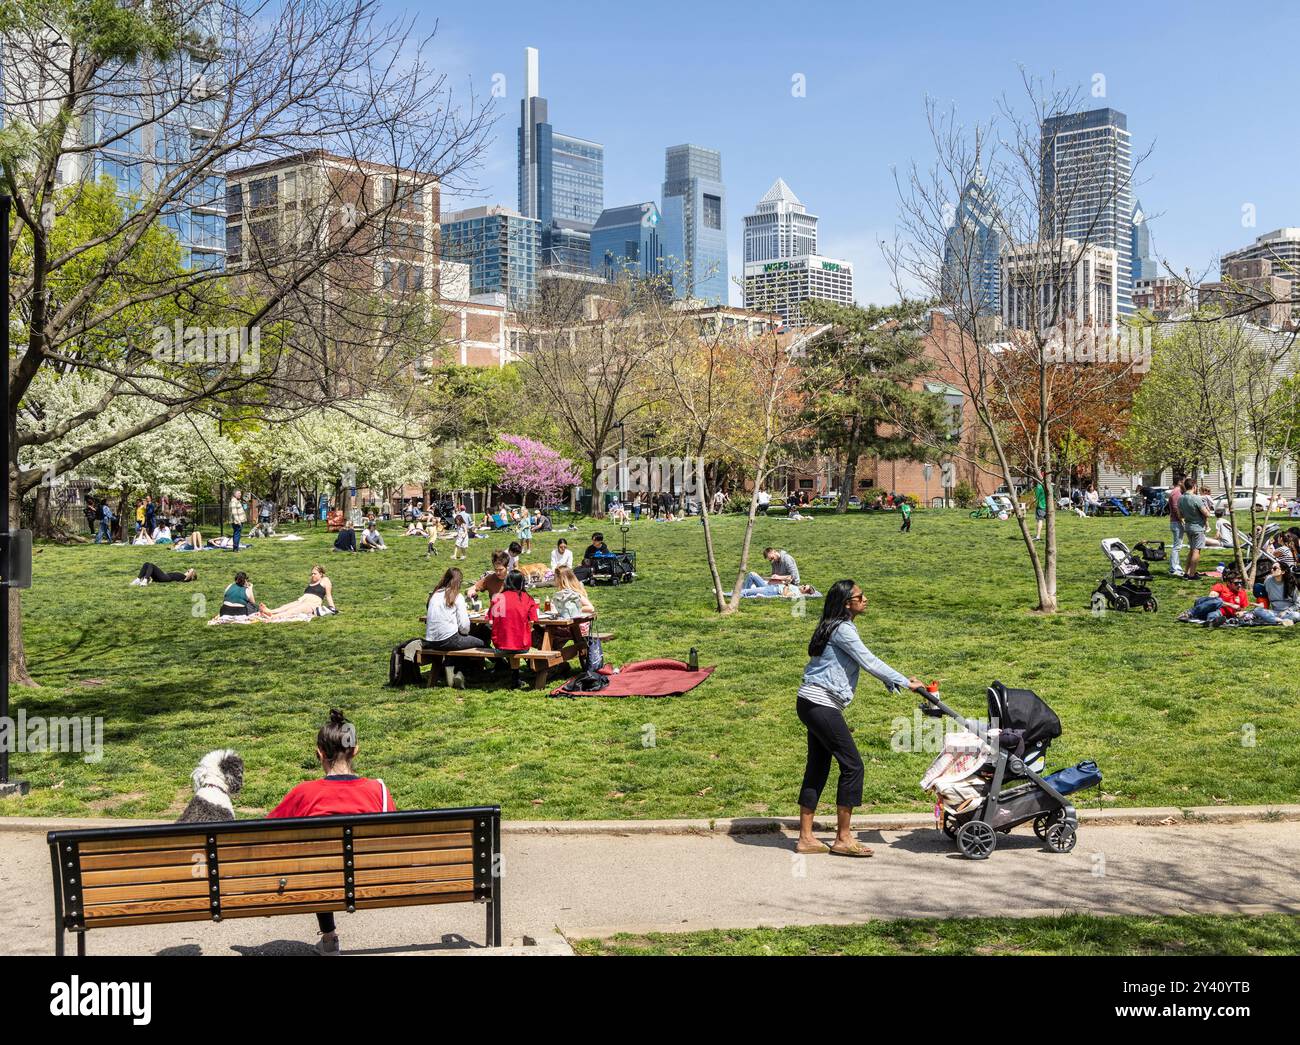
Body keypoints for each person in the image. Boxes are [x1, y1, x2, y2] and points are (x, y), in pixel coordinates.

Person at [795, 579, 929, 857]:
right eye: (860, 596)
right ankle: (843, 838)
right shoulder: (843, 629)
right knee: (853, 766)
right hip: (821, 704)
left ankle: (806, 838)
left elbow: (855, 663)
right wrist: (906, 682)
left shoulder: (832, 625)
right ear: (847, 603)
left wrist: (889, 682)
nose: (865, 599)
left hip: (809, 702)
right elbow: (869, 660)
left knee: (818, 768)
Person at [268, 709, 397, 955]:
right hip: (371, 877)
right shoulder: (378, 790)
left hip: (320, 880)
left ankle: (329, 937)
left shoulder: (304, 793)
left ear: (319, 754)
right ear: (355, 750)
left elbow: (265, 832)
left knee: (318, 864)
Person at [422, 568, 486, 687]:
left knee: (459, 643)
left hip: (431, 640)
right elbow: (465, 627)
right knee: (480, 642)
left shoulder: (435, 594)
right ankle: (464, 673)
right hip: (448, 640)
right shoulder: (456, 596)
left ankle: (451, 669)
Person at [490, 570, 539, 688]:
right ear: (522, 583)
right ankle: (519, 676)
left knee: (511, 642)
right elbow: (532, 621)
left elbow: (491, 621)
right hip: (522, 646)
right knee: (517, 642)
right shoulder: (527, 598)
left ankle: (514, 677)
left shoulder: (498, 597)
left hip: (500, 646)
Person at [258, 564, 336, 620]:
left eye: (315, 574)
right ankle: (271, 611)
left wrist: (332, 608)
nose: (312, 575)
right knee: (286, 606)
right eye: (311, 573)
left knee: (293, 610)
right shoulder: (312, 581)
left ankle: (273, 617)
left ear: (321, 574)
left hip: (312, 604)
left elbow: (328, 596)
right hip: (301, 600)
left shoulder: (325, 580)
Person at [1177, 569, 1251, 625]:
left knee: (1212, 615)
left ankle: (1212, 622)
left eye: (1241, 583)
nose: (1239, 585)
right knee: (1218, 600)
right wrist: (1231, 605)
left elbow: (1241, 608)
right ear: (1228, 583)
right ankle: (1188, 613)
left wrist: (1239, 612)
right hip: (1204, 606)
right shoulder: (1220, 587)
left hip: (1219, 613)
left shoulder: (1242, 593)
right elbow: (1211, 600)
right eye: (1237, 583)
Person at [1179, 477, 1209, 579]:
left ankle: (1186, 573)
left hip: (1188, 526)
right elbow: (1206, 513)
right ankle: (1192, 574)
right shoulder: (1196, 498)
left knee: (1191, 550)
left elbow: (1180, 514)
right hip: (1197, 527)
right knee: (1196, 551)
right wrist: (1207, 511)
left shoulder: (1181, 498)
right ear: (1194, 486)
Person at [1167, 475, 1186, 577]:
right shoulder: (1176, 492)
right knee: (1177, 546)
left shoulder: (1177, 492)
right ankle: (1174, 568)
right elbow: (1175, 508)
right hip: (1176, 522)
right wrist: (1181, 519)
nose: (1185, 483)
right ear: (1179, 482)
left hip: (1176, 521)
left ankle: (1176, 566)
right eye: (1184, 481)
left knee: (1178, 545)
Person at [131, 563, 197, 585]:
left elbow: (191, 571)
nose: (187, 570)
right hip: (163, 577)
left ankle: (145, 580)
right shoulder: (183, 576)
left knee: (151, 565)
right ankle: (138, 579)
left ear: (191, 576)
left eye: (188, 571)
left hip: (166, 578)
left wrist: (192, 570)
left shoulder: (186, 578)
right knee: (146, 564)